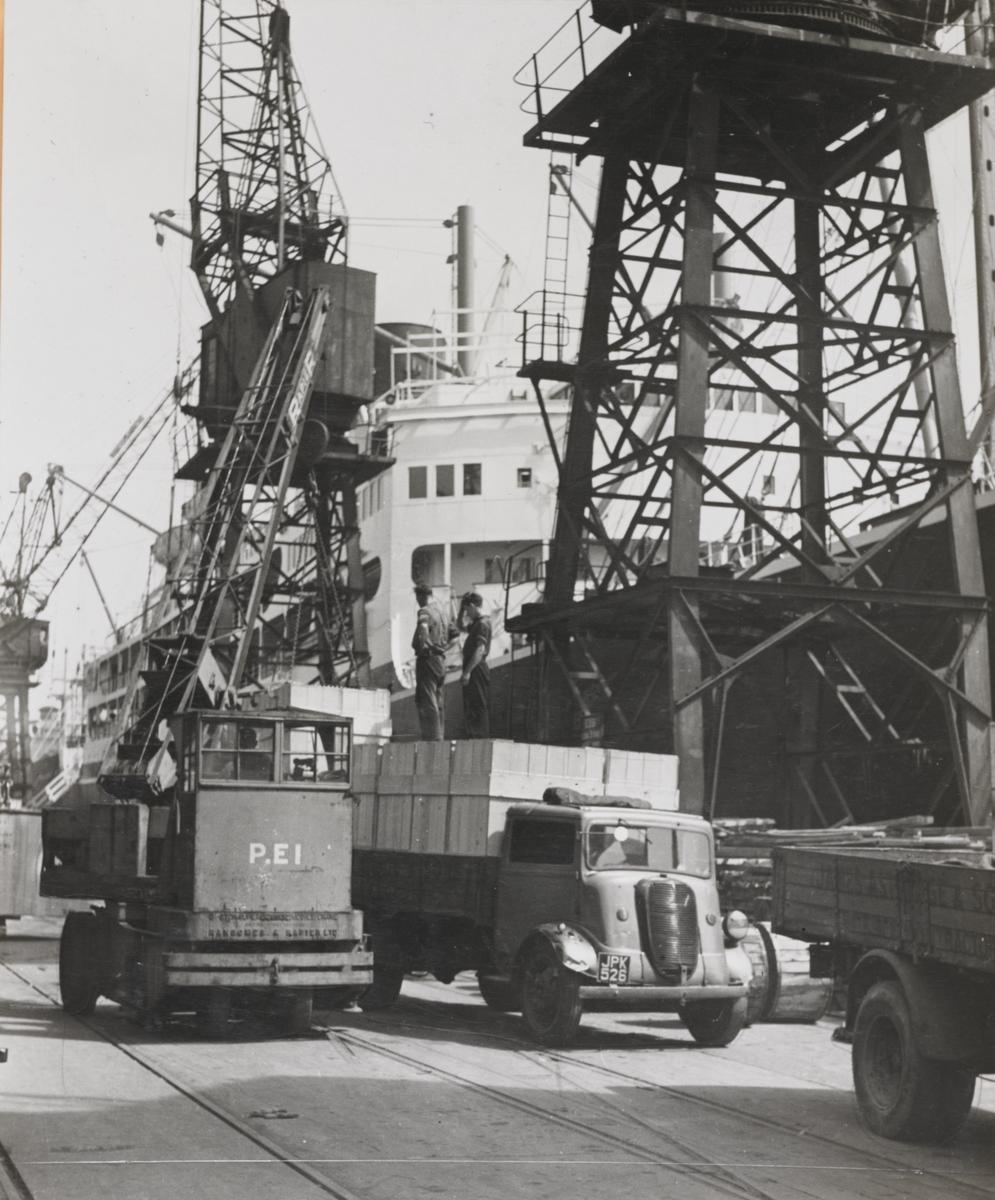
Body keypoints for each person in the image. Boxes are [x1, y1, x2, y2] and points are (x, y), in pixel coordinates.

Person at [412, 583, 458, 740]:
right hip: (440, 661)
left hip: (428, 660)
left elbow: (423, 629)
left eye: (418, 598)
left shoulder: (424, 611)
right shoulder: (443, 613)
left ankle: (432, 738)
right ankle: (439, 736)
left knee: (427, 699)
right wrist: (443, 648)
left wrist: (423, 646)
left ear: (422, 596)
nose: (417, 601)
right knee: (438, 701)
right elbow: (456, 637)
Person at [459, 591, 491, 739]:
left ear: (472, 606)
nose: (466, 613)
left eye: (467, 609)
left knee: (478, 704)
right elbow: (460, 626)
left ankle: (480, 737)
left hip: (476, 668)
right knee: (471, 704)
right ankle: (474, 736)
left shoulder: (482, 624)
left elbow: (480, 650)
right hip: (473, 667)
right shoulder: (477, 623)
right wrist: (461, 610)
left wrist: (467, 672)